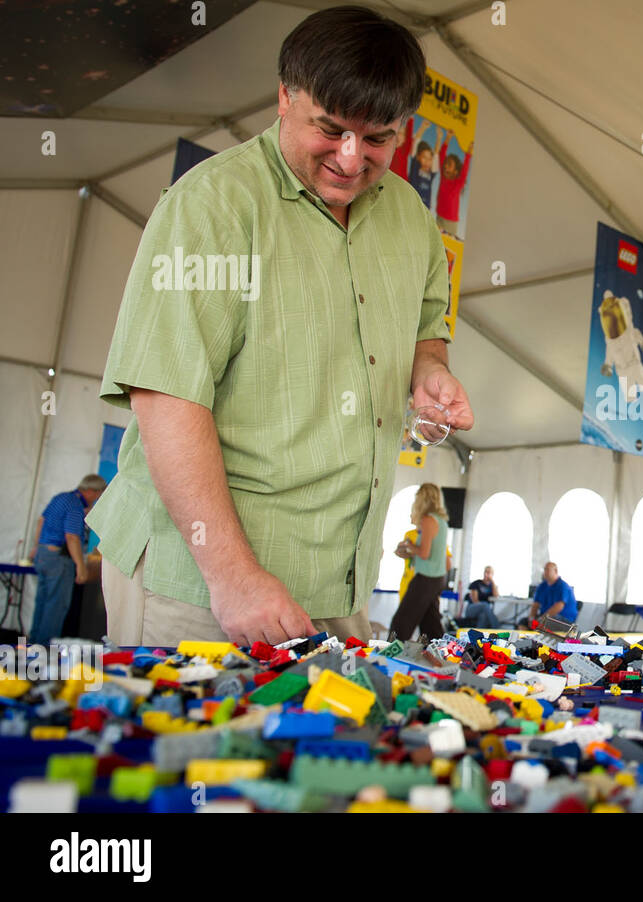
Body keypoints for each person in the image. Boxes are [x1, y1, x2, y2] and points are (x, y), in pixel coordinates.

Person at [88, 6, 475, 649]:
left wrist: (428, 373)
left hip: (339, 586)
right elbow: (166, 399)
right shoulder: (212, 206)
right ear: (284, 98)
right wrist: (234, 576)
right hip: (199, 583)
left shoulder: (411, 218)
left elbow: (426, 328)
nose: (351, 160)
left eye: (377, 138)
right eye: (330, 129)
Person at [29, 475, 106, 644]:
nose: (99, 499)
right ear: (92, 491)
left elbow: (41, 521)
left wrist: (36, 546)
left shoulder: (61, 498)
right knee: (56, 606)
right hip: (59, 559)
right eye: (100, 494)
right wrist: (81, 566)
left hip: (44, 554)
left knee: (42, 602)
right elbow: (72, 537)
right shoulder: (75, 505)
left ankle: (33, 646)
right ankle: (45, 650)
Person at [389, 484, 450, 641]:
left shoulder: (428, 519)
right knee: (430, 625)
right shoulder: (441, 521)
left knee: (400, 623)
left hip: (426, 578)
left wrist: (408, 546)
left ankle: (389, 657)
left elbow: (424, 553)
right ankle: (440, 655)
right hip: (437, 578)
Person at [433, 125, 473, 236]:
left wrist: (468, 153)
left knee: (448, 247)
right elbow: (441, 156)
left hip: (451, 222)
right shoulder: (443, 177)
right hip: (439, 216)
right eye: (445, 164)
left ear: (456, 171)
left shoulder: (458, 183)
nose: (445, 166)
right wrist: (448, 138)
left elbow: (465, 171)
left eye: (449, 165)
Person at [523, 562, 577, 626]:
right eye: (544, 569)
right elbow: (535, 604)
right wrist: (531, 619)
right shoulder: (542, 586)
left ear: (555, 571)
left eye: (547, 569)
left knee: (546, 622)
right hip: (545, 617)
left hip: (564, 620)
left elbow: (558, 607)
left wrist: (541, 619)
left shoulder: (563, 586)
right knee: (523, 622)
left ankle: (537, 632)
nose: (545, 572)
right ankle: (529, 635)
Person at [461, 565, 499, 630]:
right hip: (471, 609)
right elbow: (475, 601)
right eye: (486, 572)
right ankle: (497, 628)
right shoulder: (476, 583)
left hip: (483, 610)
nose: (486, 574)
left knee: (483, 615)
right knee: (485, 605)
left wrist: (492, 581)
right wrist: (484, 607)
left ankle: (478, 634)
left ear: (492, 574)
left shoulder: (492, 586)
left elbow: (496, 596)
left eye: (489, 572)